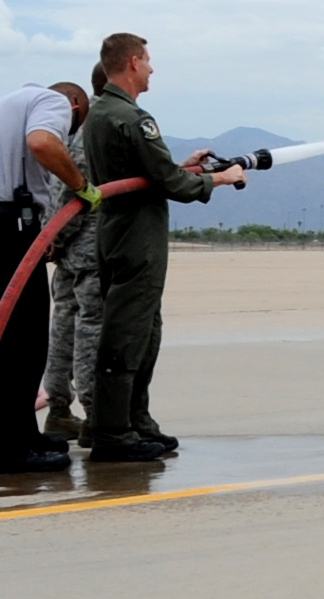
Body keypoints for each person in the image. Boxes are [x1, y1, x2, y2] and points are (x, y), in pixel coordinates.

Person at [83, 33, 243, 462]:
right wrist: (217, 179)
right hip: (137, 236)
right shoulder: (133, 118)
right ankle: (113, 431)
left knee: (144, 329)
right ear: (133, 63)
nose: (152, 68)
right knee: (127, 332)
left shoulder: (101, 113)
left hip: (118, 231)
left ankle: (134, 421)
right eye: (149, 60)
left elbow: (152, 172)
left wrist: (185, 166)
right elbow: (170, 185)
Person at [0, 80, 99, 474]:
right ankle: (9, 449)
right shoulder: (54, 102)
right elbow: (43, 144)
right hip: (4, 227)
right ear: (77, 105)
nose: (70, 132)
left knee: (3, 339)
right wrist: (82, 187)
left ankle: (20, 434)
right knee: (21, 341)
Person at [41, 62, 111, 441]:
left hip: (67, 245)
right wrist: (59, 236)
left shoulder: (68, 127)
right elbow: (73, 190)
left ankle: (59, 409)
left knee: (64, 326)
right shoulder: (93, 124)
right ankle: (91, 413)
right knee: (86, 330)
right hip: (84, 247)